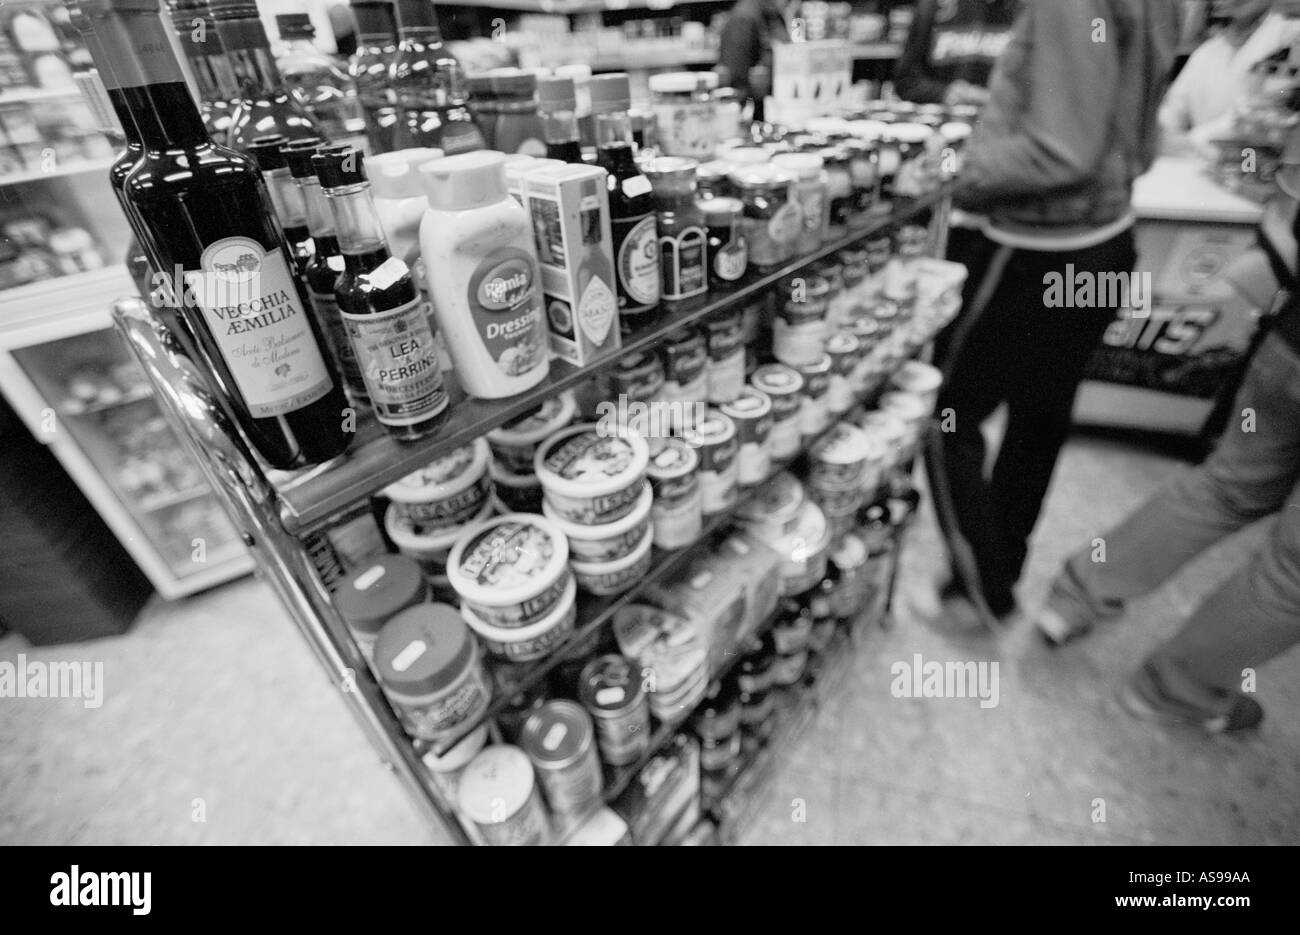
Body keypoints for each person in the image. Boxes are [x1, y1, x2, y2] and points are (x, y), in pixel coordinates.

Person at [1035, 127, 1300, 733]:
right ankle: (1174, 689)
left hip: (1292, 340)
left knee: (1224, 486)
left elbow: (1286, 183)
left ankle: (1077, 595)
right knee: (1293, 572)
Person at [929, 0, 1180, 626]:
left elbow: (1060, 150)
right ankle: (1001, 565)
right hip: (1105, 240)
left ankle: (982, 587)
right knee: (1040, 417)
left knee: (945, 416)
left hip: (1041, 250)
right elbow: (1123, 128)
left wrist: (950, 168)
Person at [1159, 0, 1300, 155]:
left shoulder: (1291, 35)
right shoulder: (1206, 52)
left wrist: (1192, 140)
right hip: (1200, 165)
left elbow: (1268, 113)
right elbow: (1171, 113)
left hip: (1257, 167)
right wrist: (1163, 136)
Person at [894, 0, 1020, 107]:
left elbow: (1035, 91)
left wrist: (991, 98)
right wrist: (945, 93)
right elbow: (906, 81)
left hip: (1003, 129)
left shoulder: (1027, 10)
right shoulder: (934, 5)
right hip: (942, 126)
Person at [718, 0, 791, 104]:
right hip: (757, 109)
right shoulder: (743, 17)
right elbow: (737, 79)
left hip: (780, 102)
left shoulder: (773, 13)